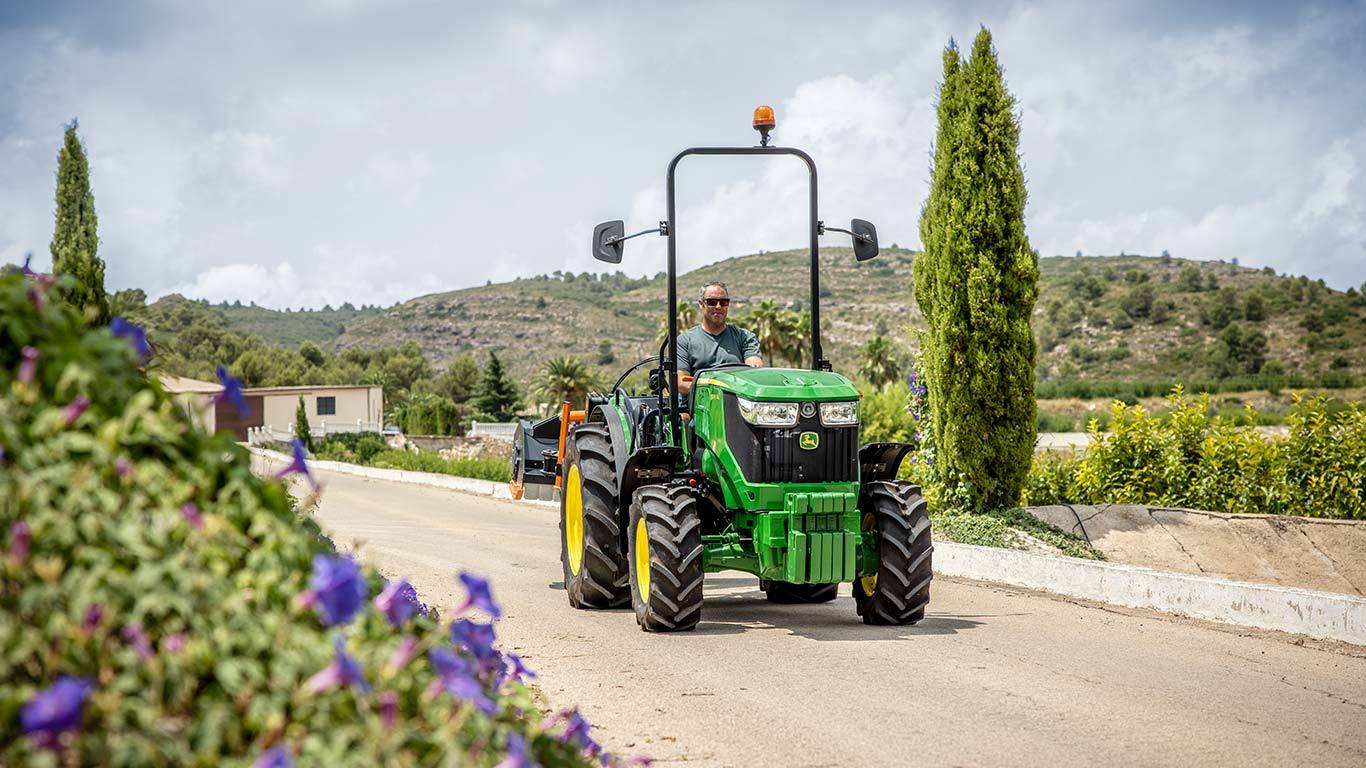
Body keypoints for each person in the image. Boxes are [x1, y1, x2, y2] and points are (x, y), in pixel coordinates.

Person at [676, 281, 763, 395]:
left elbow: (754, 368)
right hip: (697, 405)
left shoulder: (745, 337)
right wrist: (715, 388)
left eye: (723, 302)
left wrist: (754, 366)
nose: (718, 306)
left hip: (737, 402)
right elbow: (680, 383)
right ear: (701, 304)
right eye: (712, 302)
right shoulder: (684, 341)